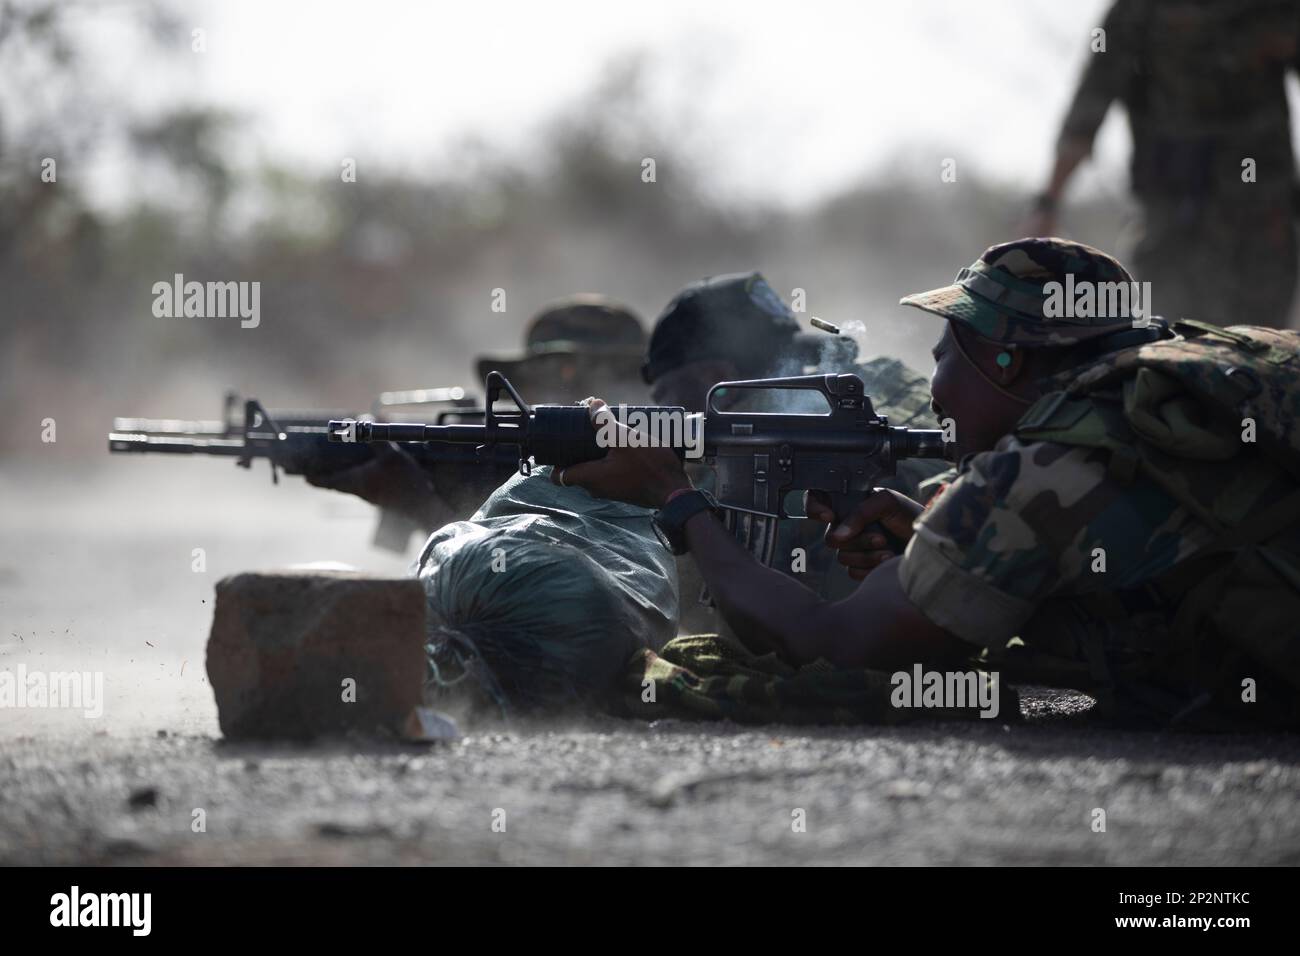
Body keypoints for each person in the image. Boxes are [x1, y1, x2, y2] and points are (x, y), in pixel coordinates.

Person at [559, 238, 1300, 730]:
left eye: (948, 354)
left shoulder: (1041, 472)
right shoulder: (1177, 394)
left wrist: (675, 498)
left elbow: (834, 643)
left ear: (1007, 361)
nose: (935, 384)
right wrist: (935, 537)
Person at [1026, 0, 1300, 328]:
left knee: (1260, 360)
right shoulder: (1136, 12)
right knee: (1167, 354)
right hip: (1174, 232)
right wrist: (1047, 205)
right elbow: (1087, 110)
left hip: (1261, 231)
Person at [304, 295, 648, 537]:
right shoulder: (508, 451)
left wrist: (422, 505)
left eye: (574, 373)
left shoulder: (654, 467)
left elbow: (525, 572)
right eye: (542, 375)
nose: (555, 390)